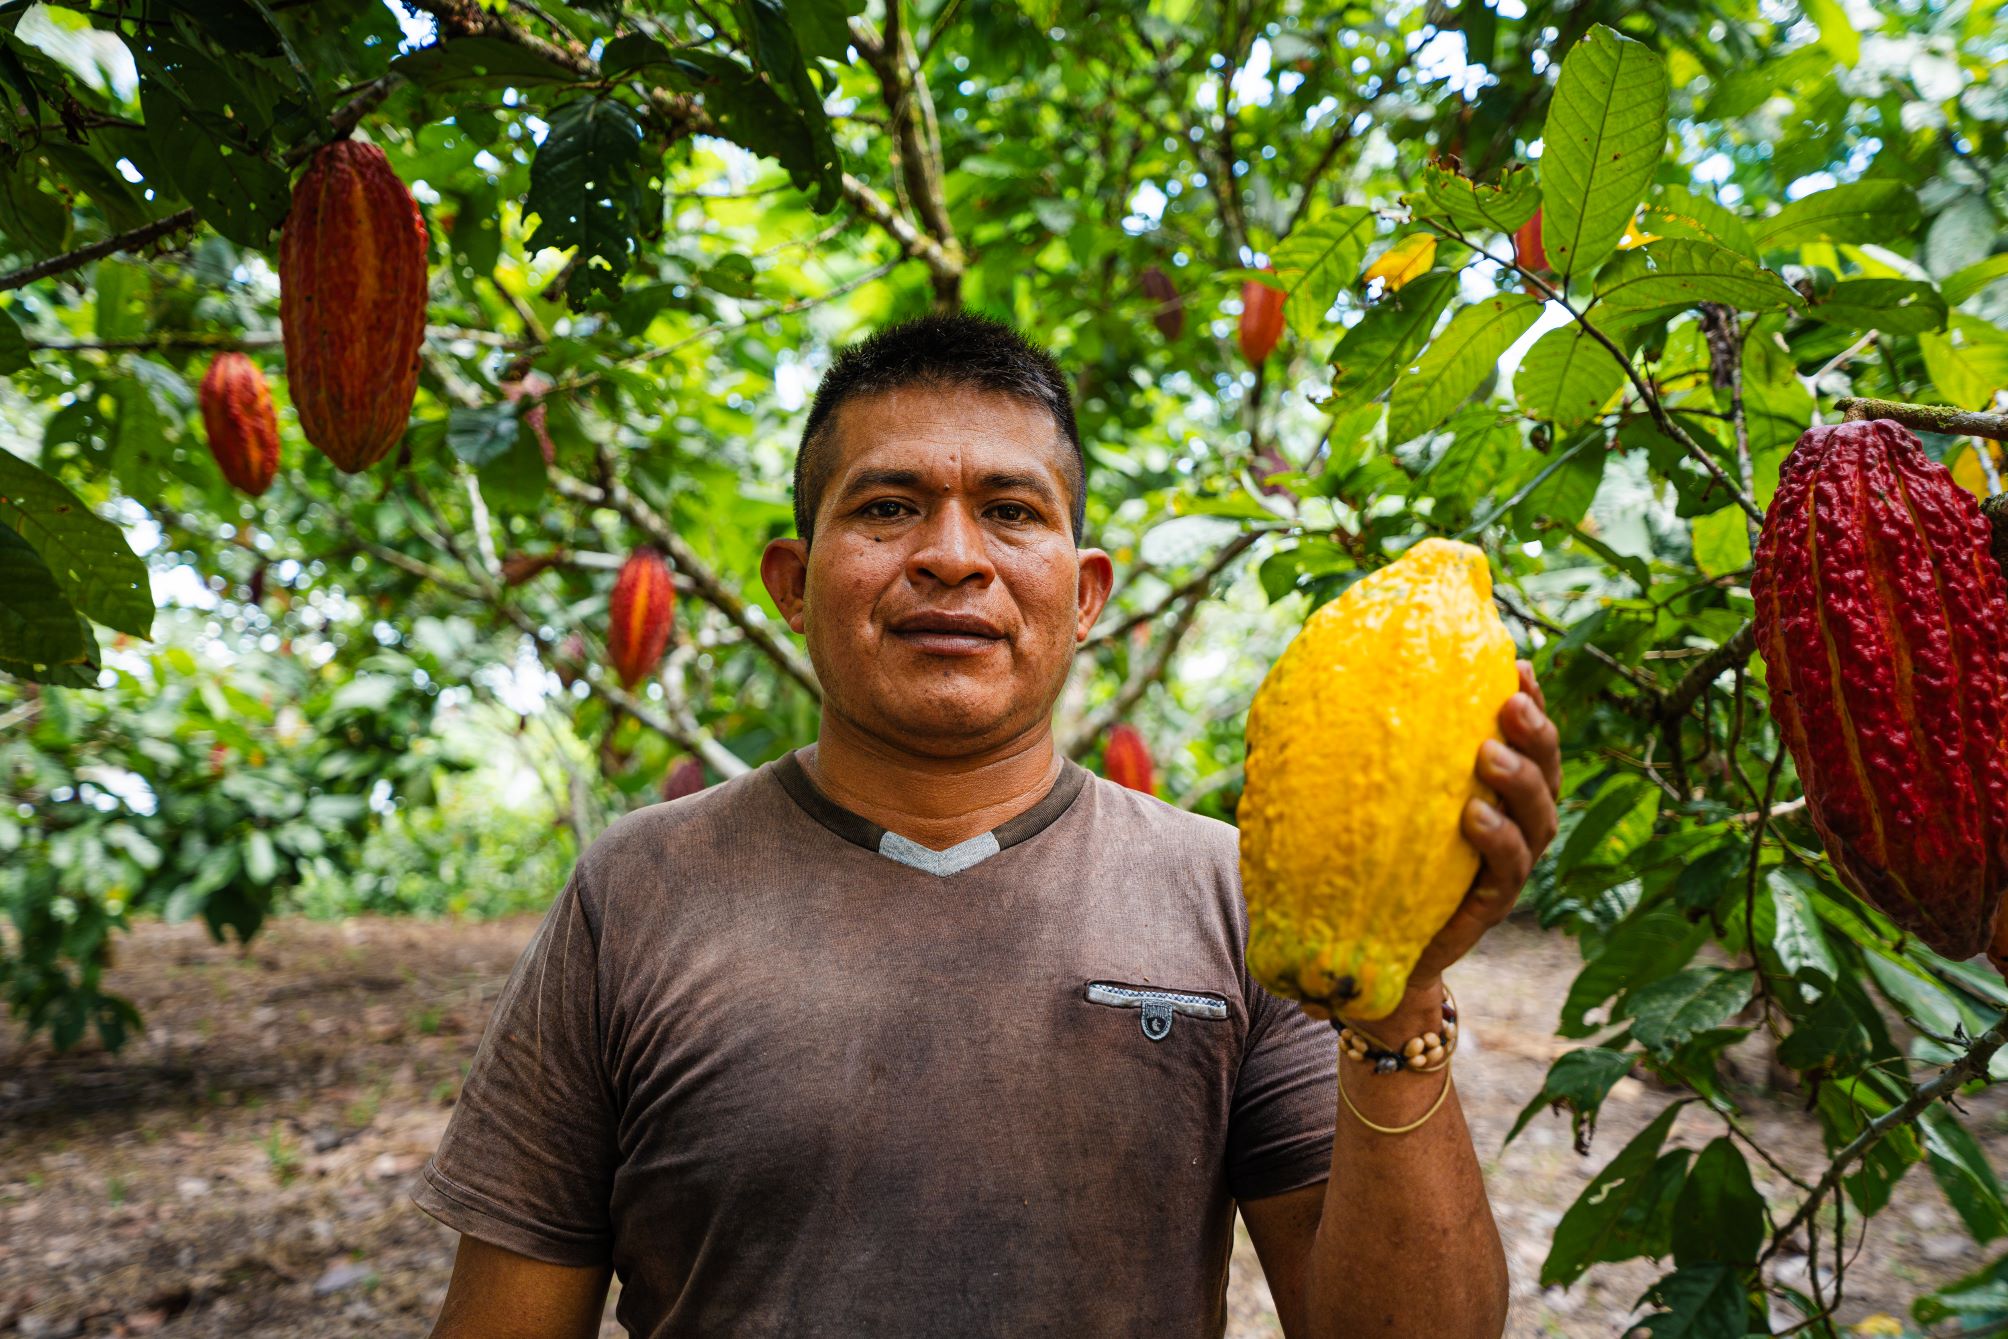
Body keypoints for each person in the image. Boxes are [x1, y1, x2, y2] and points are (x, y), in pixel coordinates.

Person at [412, 312, 1561, 1339]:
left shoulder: (1235, 888)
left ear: (1086, 591)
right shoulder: (637, 889)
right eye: (888, 508)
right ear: (792, 582)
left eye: (1010, 512)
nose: (953, 558)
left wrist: (1401, 992)